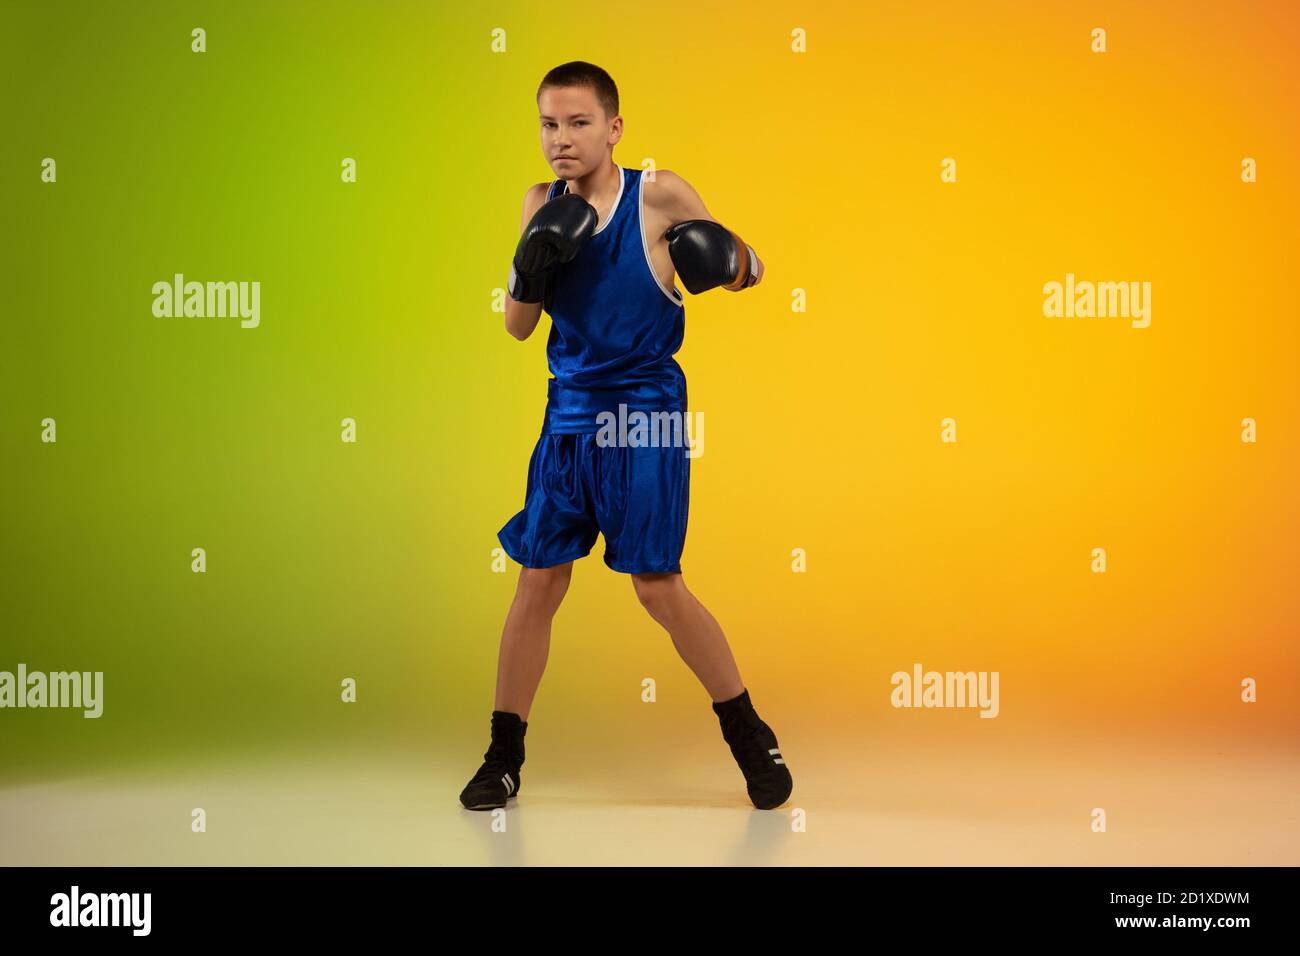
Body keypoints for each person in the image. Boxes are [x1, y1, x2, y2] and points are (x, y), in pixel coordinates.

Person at [460, 61, 792, 812]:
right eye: (549, 124)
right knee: (538, 581)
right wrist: (529, 266)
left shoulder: (659, 194)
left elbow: (750, 270)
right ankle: (503, 757)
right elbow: (518, 327)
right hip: (570, 414)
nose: (561, 139)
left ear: (613, 129)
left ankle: (750, 734)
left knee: (657, 587)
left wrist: (728, 262)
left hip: (645, 414)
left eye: (578, 123)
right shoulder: (539, 203)